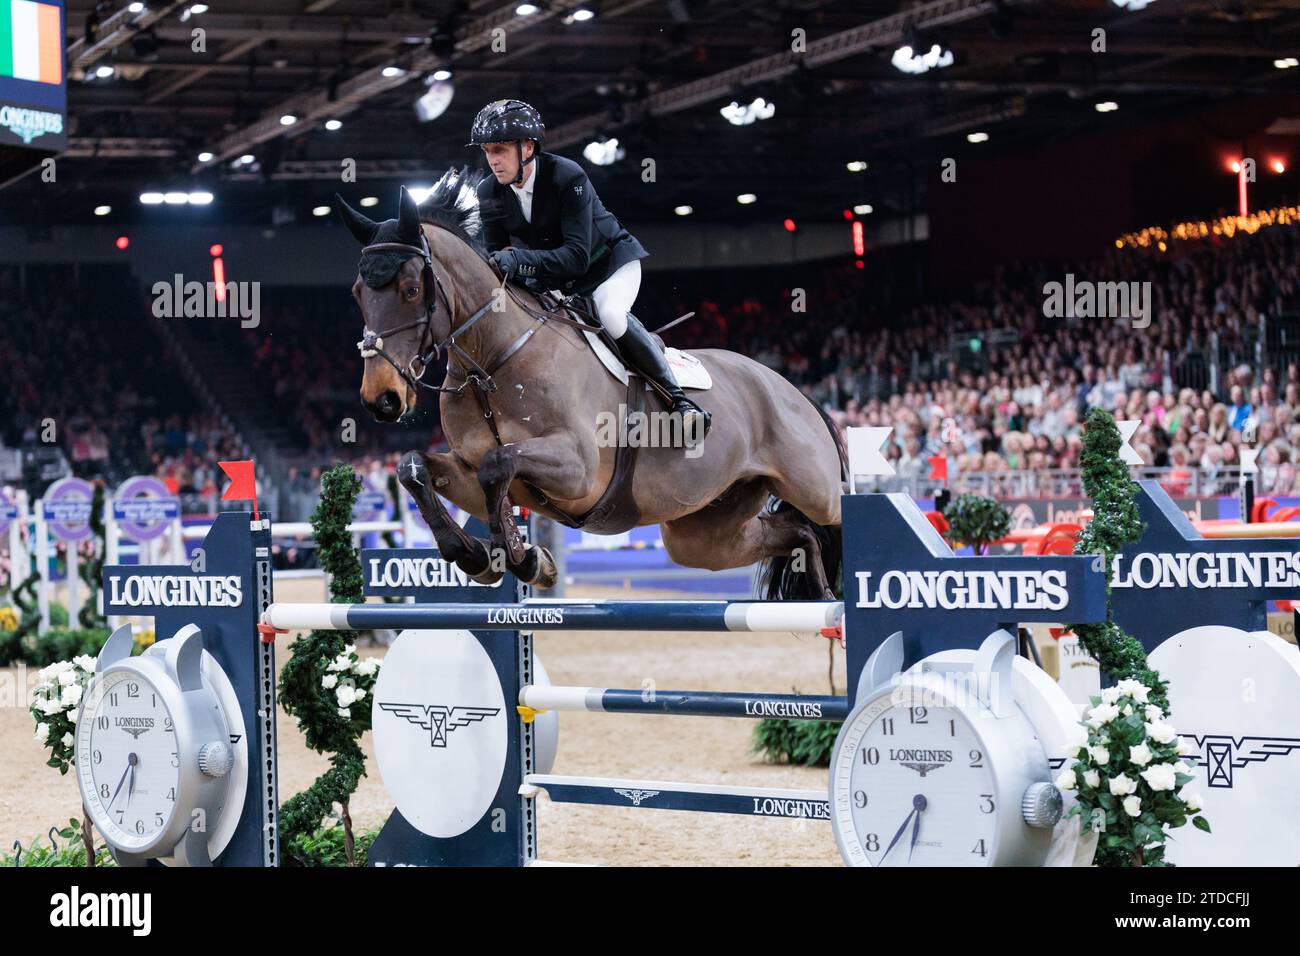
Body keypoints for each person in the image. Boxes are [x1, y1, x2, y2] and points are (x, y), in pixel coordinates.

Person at [467, 98, 709, 436]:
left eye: (500, 149)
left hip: (606, 266)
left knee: (609, 315)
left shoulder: (567, 177)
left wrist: (519, 260)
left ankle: (680, 401)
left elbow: (577, 257)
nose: (492, 159)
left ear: (528, 148)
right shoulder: (488, 191)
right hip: (557, 279)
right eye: (487, 150)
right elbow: (497, 259)